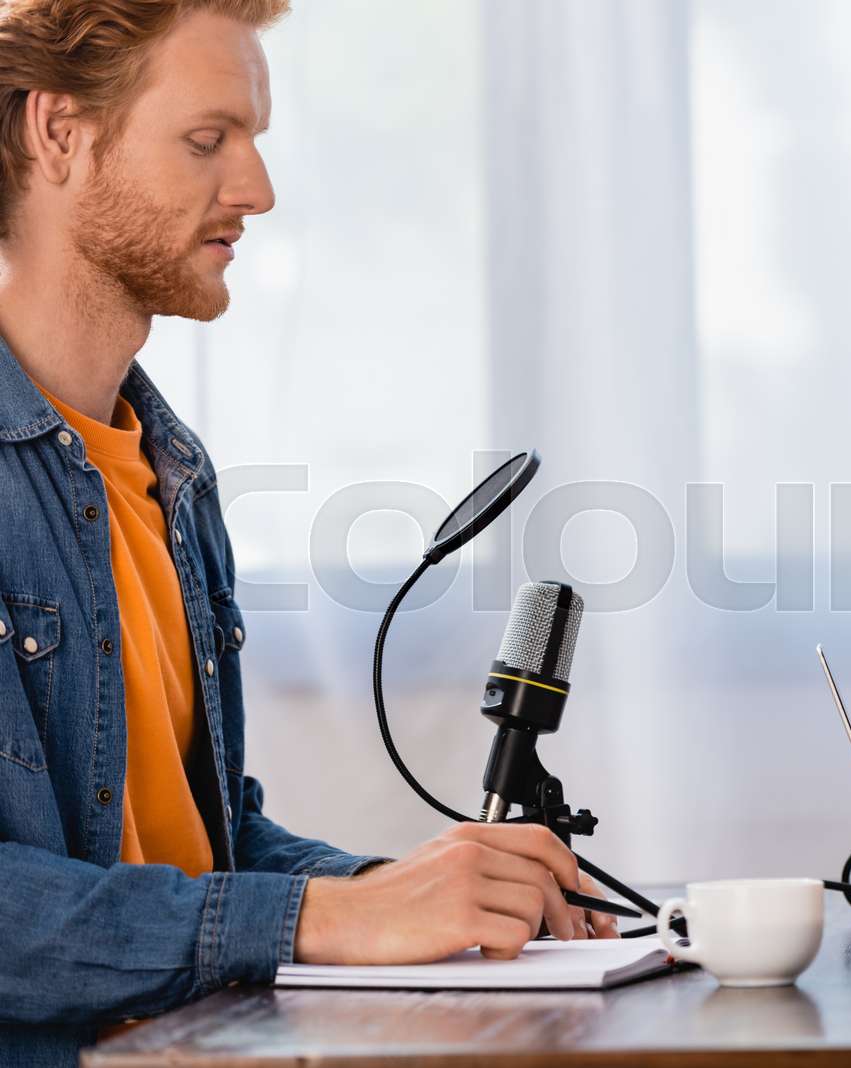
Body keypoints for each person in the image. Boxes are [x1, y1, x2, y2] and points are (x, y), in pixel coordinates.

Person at [0, 3, 616, 1064]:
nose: (257, 190)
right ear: (59, 133)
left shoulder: (170, 471)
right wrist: (325, 921)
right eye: (208, 139)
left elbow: (206, 841)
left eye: (254, 140)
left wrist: (396, 888)